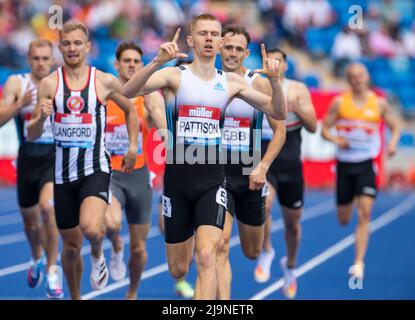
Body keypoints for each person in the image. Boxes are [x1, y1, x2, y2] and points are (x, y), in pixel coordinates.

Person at [122, 14, 286, 299]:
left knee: (209, 254)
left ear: (220, 41)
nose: (209, 38)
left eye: (214, 34)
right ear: (191, 40)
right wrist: (157, 62)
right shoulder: (175, 76)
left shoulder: (231, 82)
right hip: (177, 178)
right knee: (178, 268)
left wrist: (276, 82)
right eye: (203, 34)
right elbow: (127, 91)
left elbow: (278, 112)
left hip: (212, 178)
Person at [27, 21, 139, 300]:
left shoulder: (103, 81)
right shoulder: (49, 84)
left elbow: (130, 110)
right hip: (62, 175)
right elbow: (32, 133)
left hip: (95, 168)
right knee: (71, 247)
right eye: (67, 43)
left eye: (78, 43)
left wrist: (133, 146)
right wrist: (41, 116)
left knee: (90, 227)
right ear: (60, 47)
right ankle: (76, 296)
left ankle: (99, 253)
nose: (72, 48)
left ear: (88, 47)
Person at [215, 25, 287, 300]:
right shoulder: (207, 81)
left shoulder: (256, 83)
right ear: (220, 47)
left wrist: (264, 166)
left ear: (246, 53)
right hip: (217, 173)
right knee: (219, 246)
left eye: (238, 49)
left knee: (251, 251)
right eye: (228, 47)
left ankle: (266, 251)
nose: (232, 53)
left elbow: (280, 129)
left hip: (250, 175)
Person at [321, 62, 400, 281]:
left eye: (361, 75)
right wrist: (337, 139)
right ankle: (350, 201)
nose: (357, 79)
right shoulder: (339, 103)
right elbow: (324, 130)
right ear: (348, 80)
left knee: (365, 212)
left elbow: (395, 126)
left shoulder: (379, 103)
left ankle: (358, 262)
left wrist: (392, 143)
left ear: (367, 77)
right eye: (353, 76)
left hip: (366, 164)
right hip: (345, 165)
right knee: (344, 219)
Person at [0, 39, 62, 298]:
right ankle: (36, 255)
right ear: (29, 59)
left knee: (48, 208)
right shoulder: (18, 83)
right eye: (36, 58)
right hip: (27, 158)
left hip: (52, 156)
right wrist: (19, 104)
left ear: (52, 60)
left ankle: (51, 268)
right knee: (30, 223)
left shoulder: (60, 82)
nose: (40, 63)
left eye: (45, 58)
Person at [254, 48, 317, 300]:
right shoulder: (257, 85)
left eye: (278, 60)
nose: (274, 64)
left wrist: (297, 108)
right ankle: (266, 250)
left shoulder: (299, 89)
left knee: (293, 224)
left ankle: (290, 267)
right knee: (264, 205)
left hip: (291, 161)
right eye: (269, 60)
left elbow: (312, 126)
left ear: (286, 65)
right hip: (267, 158)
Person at [104, 41, 165, 300]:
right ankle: (116, 244)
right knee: (112, 222)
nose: (131, 65)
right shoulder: (104, 92)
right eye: (126, 61)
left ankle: (132, 293)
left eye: (136, 61)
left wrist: (169, 140)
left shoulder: (149, 95)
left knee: (139, 249)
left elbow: (160, 119)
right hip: (109, 174)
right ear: (116, 64)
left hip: (139, 175)